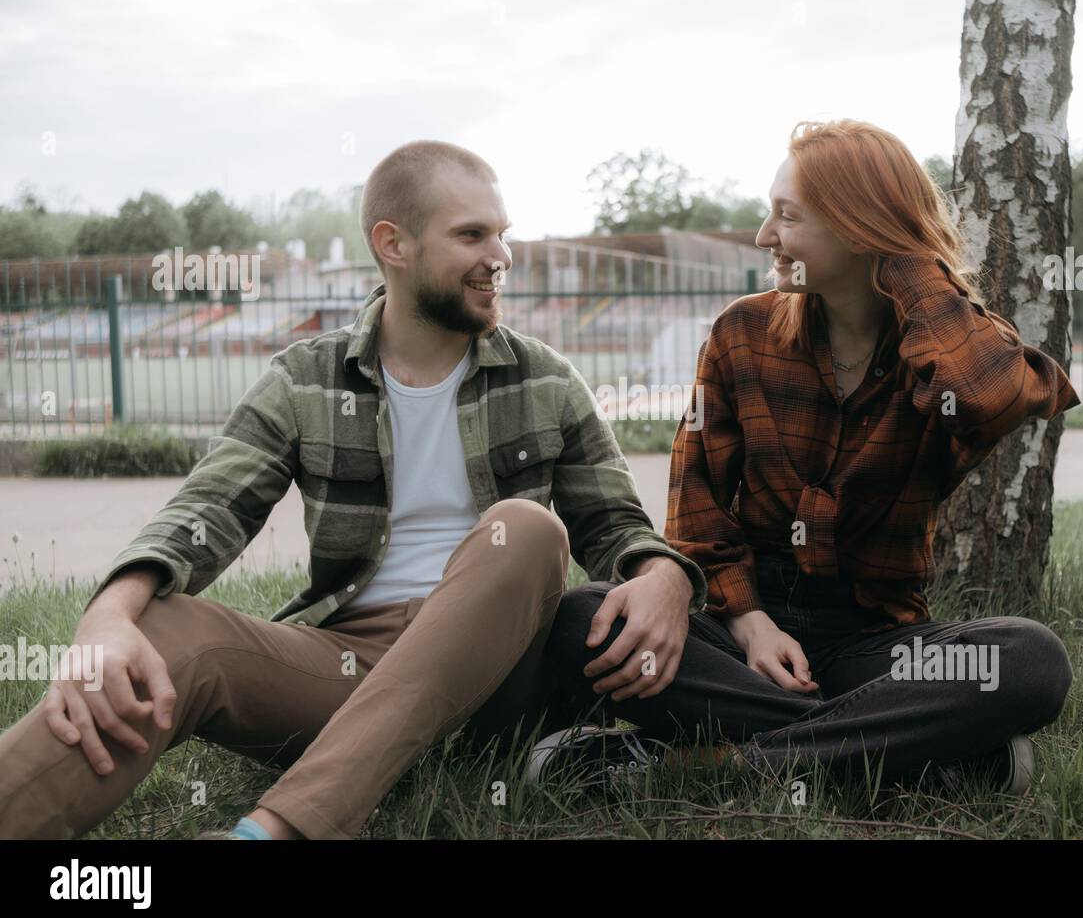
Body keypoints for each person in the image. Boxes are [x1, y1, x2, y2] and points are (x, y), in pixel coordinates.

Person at [0, 140, 706, 840]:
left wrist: (662, 572)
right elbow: (209, 508)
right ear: (392, 244)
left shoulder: (544, 378)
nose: (500, 256)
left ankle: (279, 831)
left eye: (502, 233)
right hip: (347, 665)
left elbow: (614, 525)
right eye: (471, 234)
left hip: (498, 682)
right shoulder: (306, 377)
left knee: (524, 529)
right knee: (166, 629)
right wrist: (107, 619)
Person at [540, 119, 1081, 796]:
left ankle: (721, 765)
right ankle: (910, 757)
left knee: (1029, 661)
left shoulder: (944, 356)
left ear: (860, 228)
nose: (765, 236)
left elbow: (992, 395)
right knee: (581, 620)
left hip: (874, 650)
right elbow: (697, 503)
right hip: (738, 638)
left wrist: (909, 264)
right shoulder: (743, 333)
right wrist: (751, 622)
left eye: (787, 217)